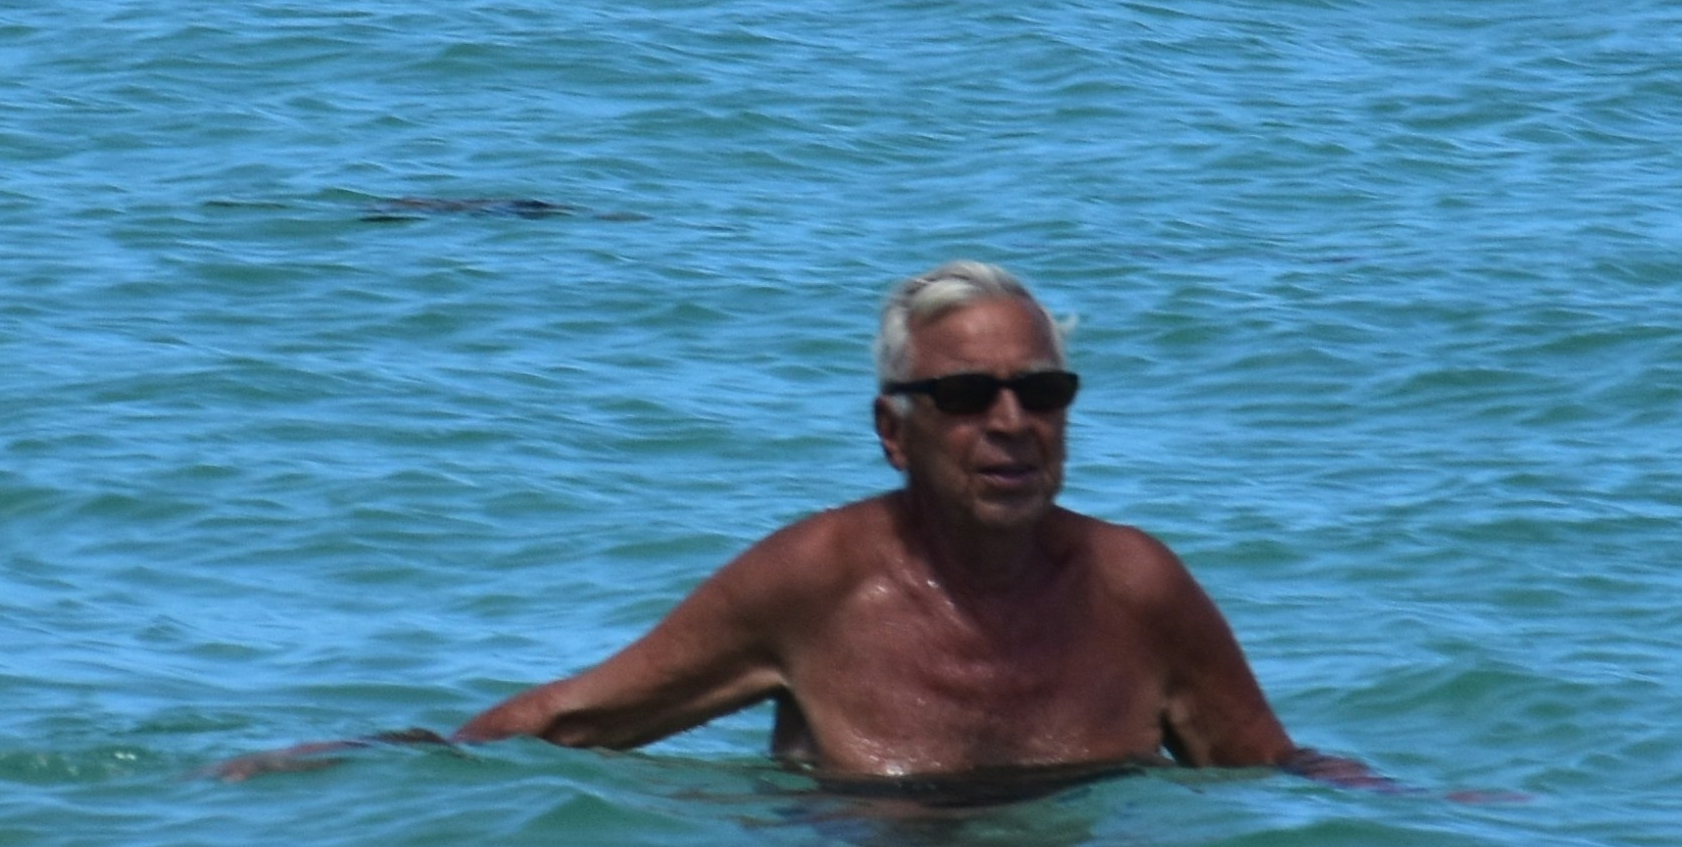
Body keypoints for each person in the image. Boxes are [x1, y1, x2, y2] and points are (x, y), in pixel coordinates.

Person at [452, 261, 1357, 786]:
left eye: (1041, 393)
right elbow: (573, 723)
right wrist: (392, 765)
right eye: (965, 397)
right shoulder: (817, 582)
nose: (1011, 424)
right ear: (894, 432)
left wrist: (1435, 813)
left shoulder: (1135, 589)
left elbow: (1270, 774)